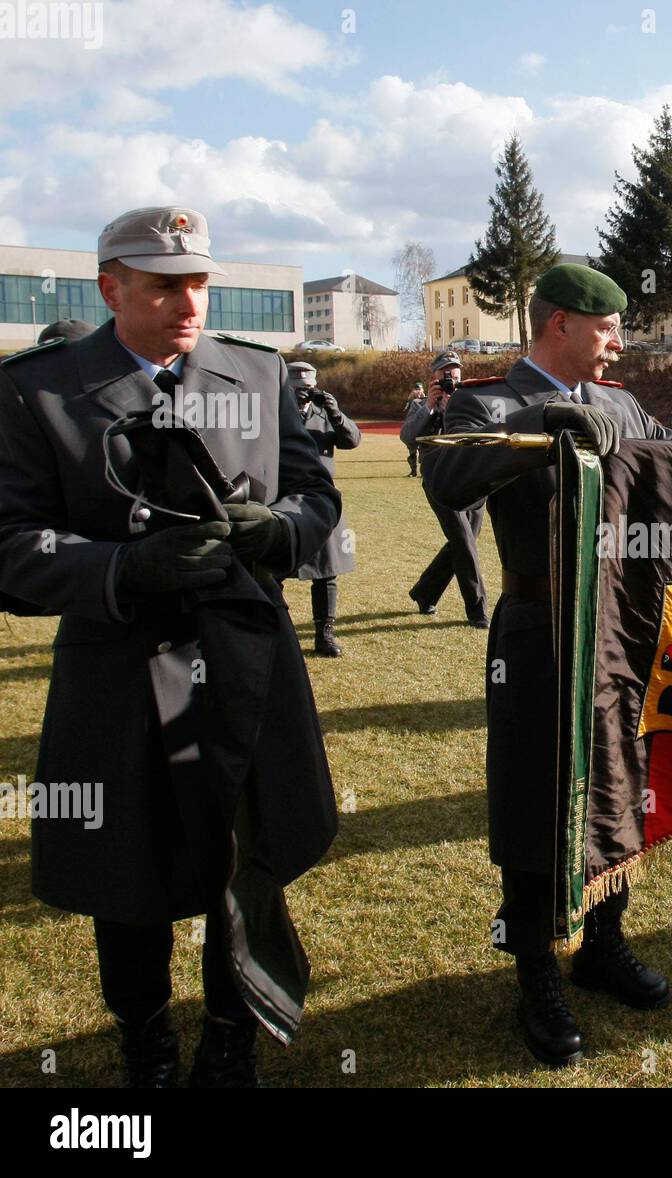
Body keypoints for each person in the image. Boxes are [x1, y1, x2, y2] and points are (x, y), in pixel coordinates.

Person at [427, 263, 672, 1068]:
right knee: (537, 793)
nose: (620, 341)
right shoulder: (487, 402)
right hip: (541, 627)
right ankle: (537, 966)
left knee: (618, 782)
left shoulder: (621, 402)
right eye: (607, 329)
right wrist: (542, 424)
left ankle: (604, 940)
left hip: (627, 624)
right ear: (561, 322)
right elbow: (448, 476)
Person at [0, 206, 340, 1085]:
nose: (187, 302)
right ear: (110, 288)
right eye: (162, 286)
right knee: (129, 866)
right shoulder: (38, 389)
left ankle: (231, 1033)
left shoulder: (255, 376)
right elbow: (11, 542)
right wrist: (125, 567)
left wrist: (279, 530)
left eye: (198, 283)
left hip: (243, 661)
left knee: (245, 849)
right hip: (120, 666)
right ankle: (143, 1035)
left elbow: (316, 497)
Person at [406, 350, 489, 625]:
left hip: (472, 477)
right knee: (464, 541)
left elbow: (485, 431)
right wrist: (430, 405)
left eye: (455, 371)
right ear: (434, 377)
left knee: (465, 540)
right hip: (439, 478)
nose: (451, 376)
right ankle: (477, 610)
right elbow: (408, 435)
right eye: (445, 373)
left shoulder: (471, 399)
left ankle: (425, 592)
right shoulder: (424, 405)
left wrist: (457, 404)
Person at [288, 361, 362, 656]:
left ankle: (324, 633)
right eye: (297, 389)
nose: (304, 394)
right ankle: (275, 630)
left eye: (308, 388)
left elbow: (352, 440)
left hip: (321, 498)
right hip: (285, 495)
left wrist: (335, 411)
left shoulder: (324, 414)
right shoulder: (274, 410)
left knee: (326, 570)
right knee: (273, 569)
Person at [401, 381, 426, 476]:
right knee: (412, 451)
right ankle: (413, 471)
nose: (418, 391)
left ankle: (425, 471)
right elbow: (404, 411)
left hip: (423, 428)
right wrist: (409, 399)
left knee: (424, 451)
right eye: (416, 389)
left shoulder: (426, 400)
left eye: (419, 389)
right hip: (411, 428)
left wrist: (423, 397)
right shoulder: (411, 401)